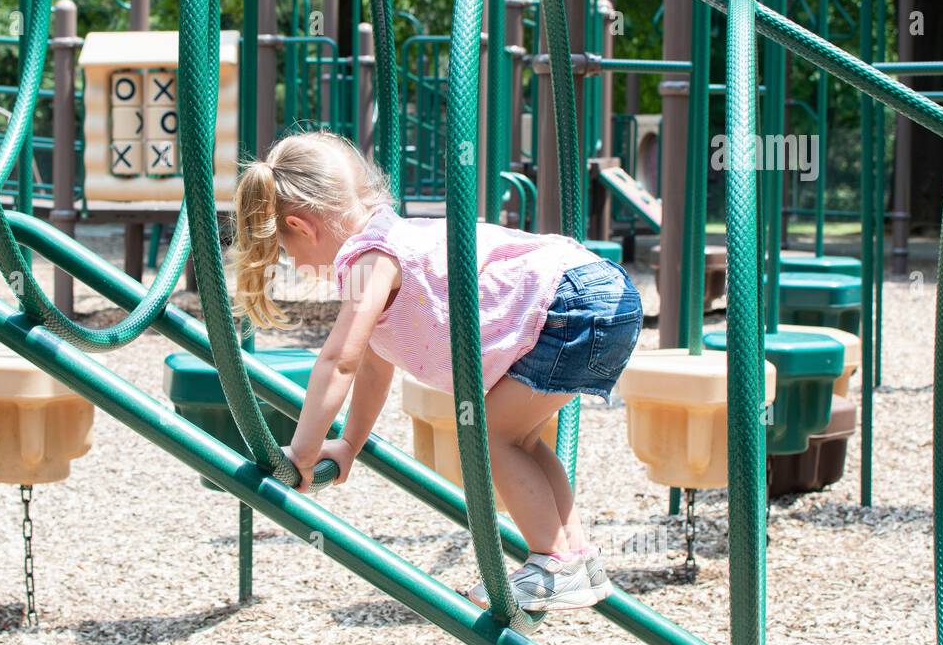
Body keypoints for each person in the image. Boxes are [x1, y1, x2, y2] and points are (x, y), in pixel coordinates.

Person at [227, 131, 642, 612]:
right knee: (518, 439)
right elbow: (372, 365)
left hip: (569, 303)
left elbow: (338, 360)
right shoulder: (395, 236)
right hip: (602, 296)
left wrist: (302, 452)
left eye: (287, 249)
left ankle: (554, 562)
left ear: (303, 226)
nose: (295, 263)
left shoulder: (369, 260)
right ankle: (575, 556)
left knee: (489, 437)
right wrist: (348, 444)